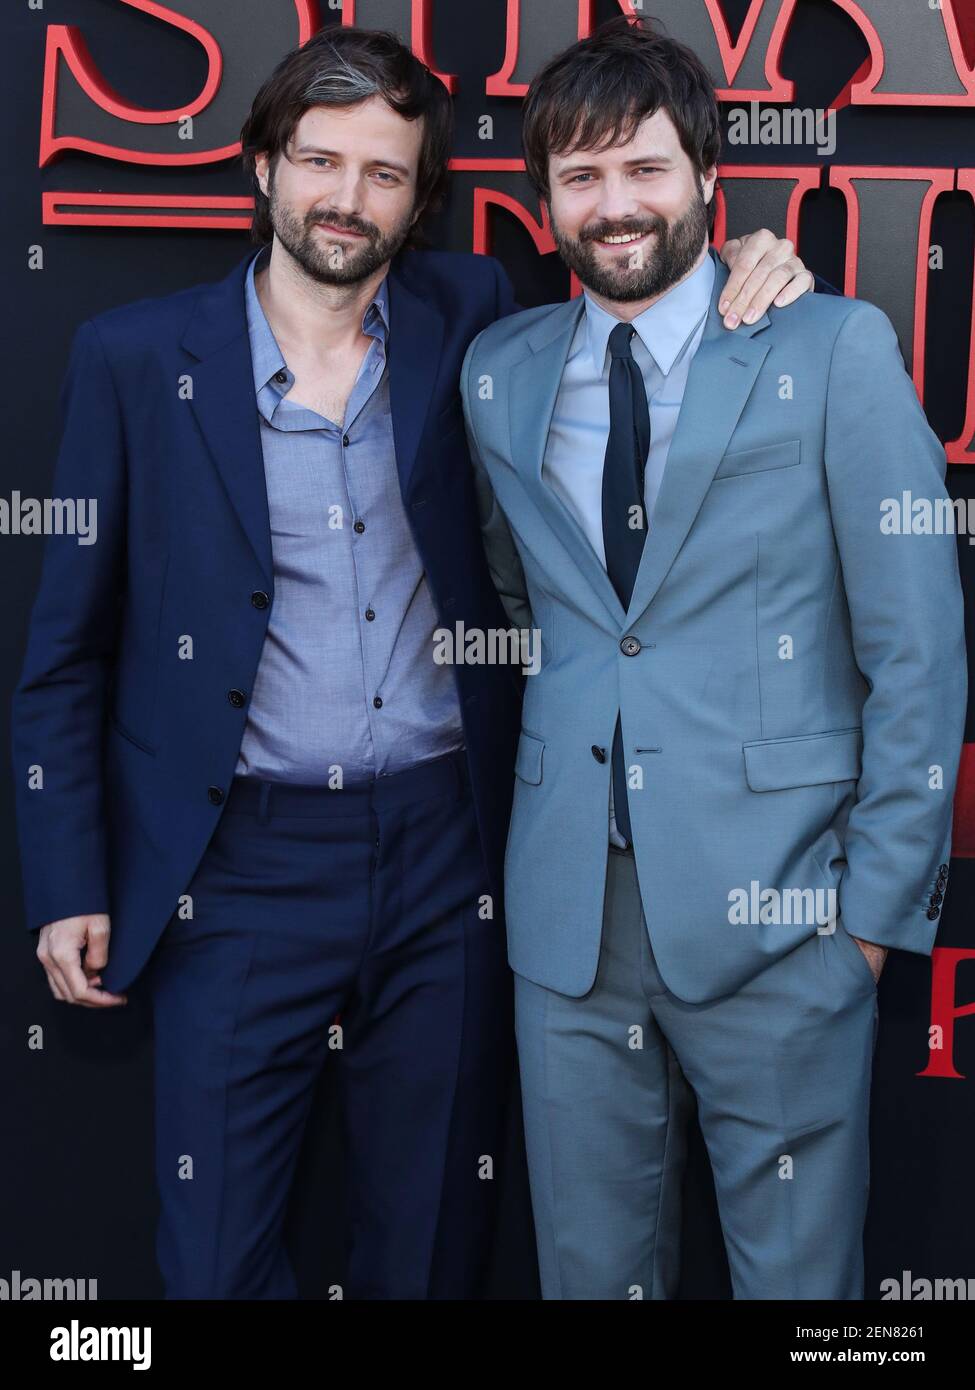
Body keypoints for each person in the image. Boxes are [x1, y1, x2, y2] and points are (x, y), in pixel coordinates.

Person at [12, 23, 821, 1300]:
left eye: (385, 174)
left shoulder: (473, 324)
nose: (349, 198)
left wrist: (758, 264)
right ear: (263, 168)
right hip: (236, 871)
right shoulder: (132, 359)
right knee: (212, 1260)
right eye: (321, 161)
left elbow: (648, 302)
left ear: (420, 199)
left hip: (452, 861)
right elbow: (64, 649)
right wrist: (67, 878)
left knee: (434, 1241)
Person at [460, 15, 966, 1300]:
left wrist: (867, 922)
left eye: (643, 169)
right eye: (581, 178)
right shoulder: (498, 377)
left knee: (801, 1290)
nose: (615, 205)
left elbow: (918, 648)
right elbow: (536, 612)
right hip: (571, 925)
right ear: (546, 205)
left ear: (703, 180)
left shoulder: (829, 347)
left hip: (788, 915)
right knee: (590, 1278)